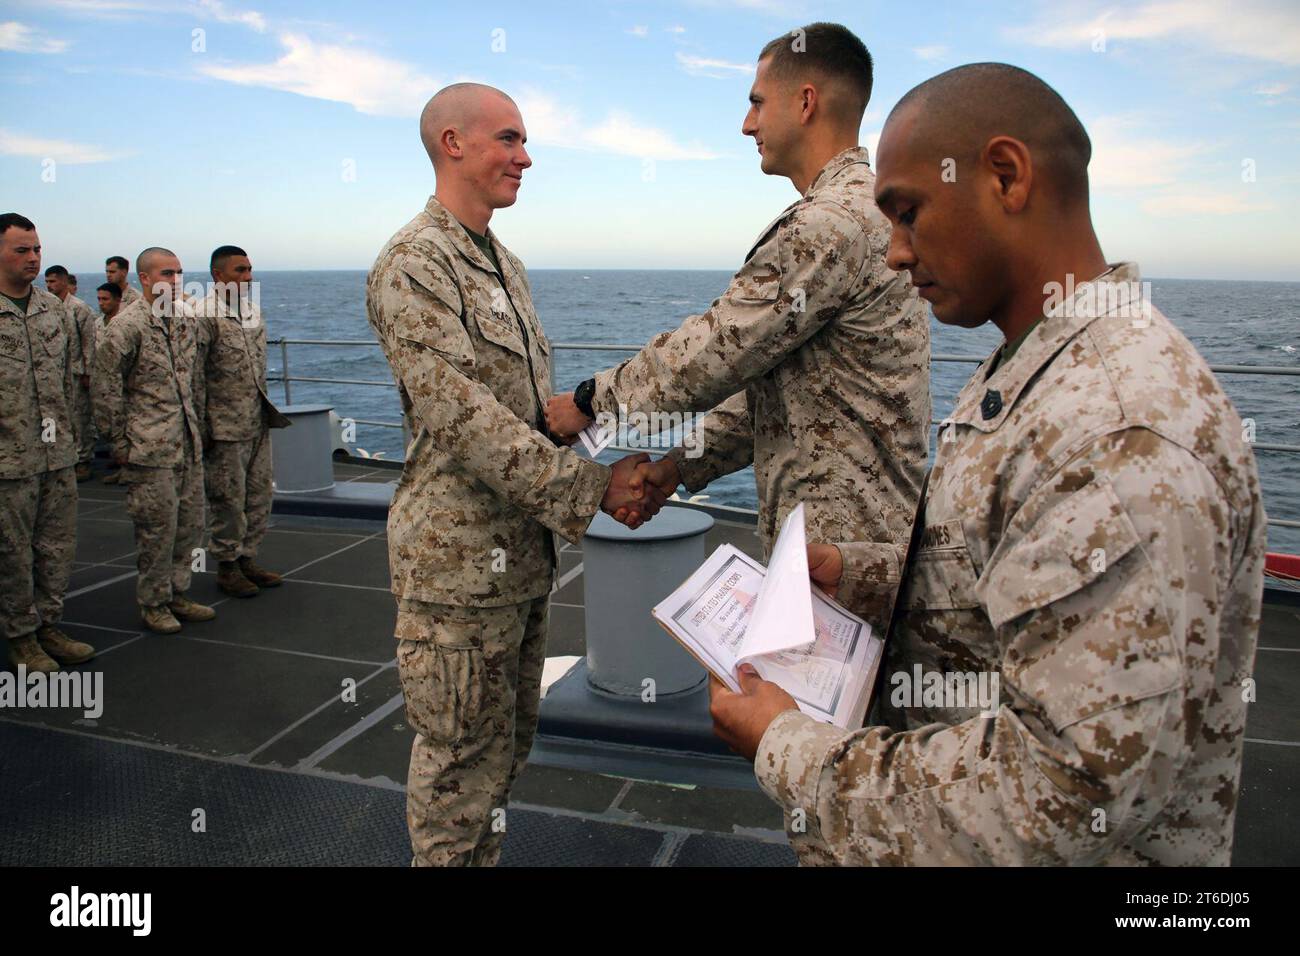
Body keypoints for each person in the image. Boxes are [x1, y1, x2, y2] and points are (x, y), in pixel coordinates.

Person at [708, 63, 1267, 866]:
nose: (896, 254)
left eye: (908, 213)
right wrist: (859, 574)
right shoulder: (1036, 367)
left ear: (1006, 176)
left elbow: (1066, 791)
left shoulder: (1115, 431)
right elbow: (1008, 571)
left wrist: (784, 743)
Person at [545, 22, 930, 635]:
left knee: (811, 727)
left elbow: (712, 354)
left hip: (837, 557)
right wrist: (676, 470)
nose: (746, 124)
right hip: (857, 544)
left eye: (756, 102)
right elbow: (775, 397)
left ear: (805, 102)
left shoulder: (827, 226)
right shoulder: (870, 212)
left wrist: (592, 402)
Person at [366, 83, 667, 866]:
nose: (525, 156)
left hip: (519, 562)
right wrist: (595, 491)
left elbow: (526, 413)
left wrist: (598, 417)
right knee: (458, 766)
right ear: (452, 143)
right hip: (456, 571)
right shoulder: (413, 264)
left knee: (503, 758)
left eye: (525, 140)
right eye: (508, 138)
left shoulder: (507, 267)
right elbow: (465, 420)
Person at [93, 247, 213, 634]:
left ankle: (179, 591)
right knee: (156, 530)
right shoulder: (127, 326)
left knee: (190, 526)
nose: (175, 281)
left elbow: (194, 377)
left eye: (179, 273)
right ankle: (154, 602)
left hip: (187, 440)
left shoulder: (184, 321)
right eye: (166, 274)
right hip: (150, 447)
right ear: (144, 278)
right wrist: (119, 442)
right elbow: (105, 385)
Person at [0, 214, 95, 672]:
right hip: (7, 460)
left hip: (56, 453)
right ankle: (20, 636)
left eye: (36, 249)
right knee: (12, 552)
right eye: (22, 250)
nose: (34, 258)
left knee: (56, 544)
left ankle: (49, 623)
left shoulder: (53, 309)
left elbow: (67, 380)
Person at [193, 245, 291, 598]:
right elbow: (194, 376)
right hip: (224, 426)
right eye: (239, 271)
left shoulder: (252, 312)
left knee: (259, 495)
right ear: (218, 275)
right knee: (228, 500)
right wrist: (202, 427)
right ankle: (228, 566)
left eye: (249, 270)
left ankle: (248, 557)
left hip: (256, 418)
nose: (247, 277)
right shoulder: (202, 315)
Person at [44, 266, 97, 481]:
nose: (49, 286)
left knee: (80, 417)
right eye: (47, 282)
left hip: (76, 371)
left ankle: (83, 460)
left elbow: (89, 341)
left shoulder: (79, 308)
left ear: (65, 282)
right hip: (56, 371)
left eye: (53, 282)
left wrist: (88, 372)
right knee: (59, 416)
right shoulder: (48, 306)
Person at [92, 282, 125, 484]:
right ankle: (119, 463)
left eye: (105, 299)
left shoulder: (125, 324)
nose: (101, 303)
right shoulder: (97, 324)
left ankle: (127, 469)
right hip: (102, 383)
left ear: (117, 300)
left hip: (120, 383)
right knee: (106, 427)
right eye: (99, 299)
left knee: (123, 427)